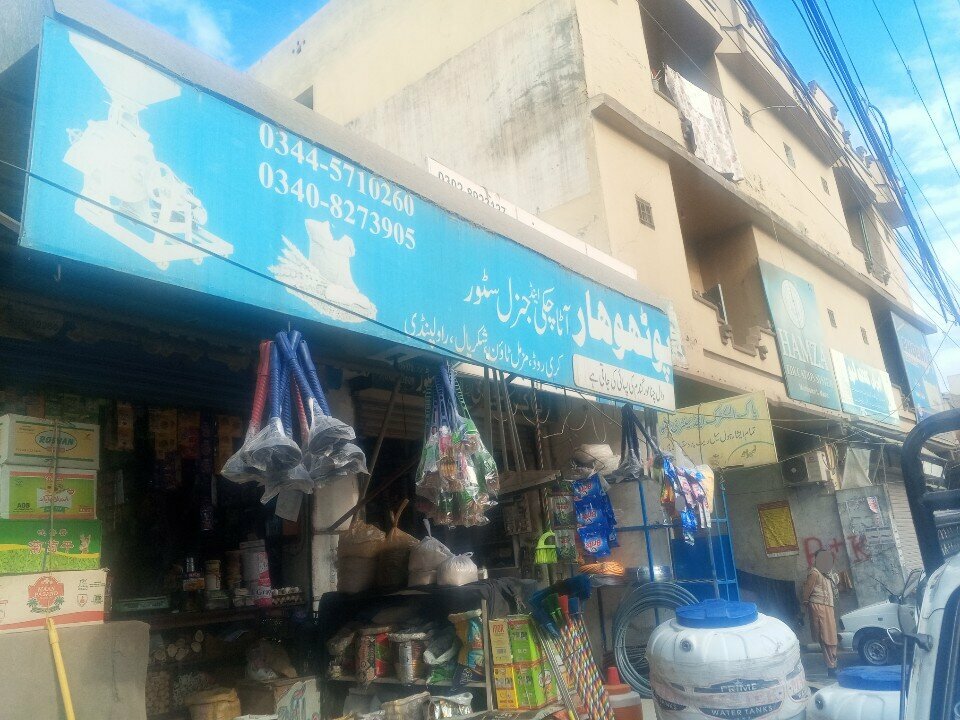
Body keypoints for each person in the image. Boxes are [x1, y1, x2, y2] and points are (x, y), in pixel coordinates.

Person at [802, 549, 840, 676]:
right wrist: (804, 606)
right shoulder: (814, 572)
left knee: (832, 637)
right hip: (818, 606)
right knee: (825, 637)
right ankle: (831, 667)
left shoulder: (828, 574)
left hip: (829, 607)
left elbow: (834, 585)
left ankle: (833, 664)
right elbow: (807, 591)